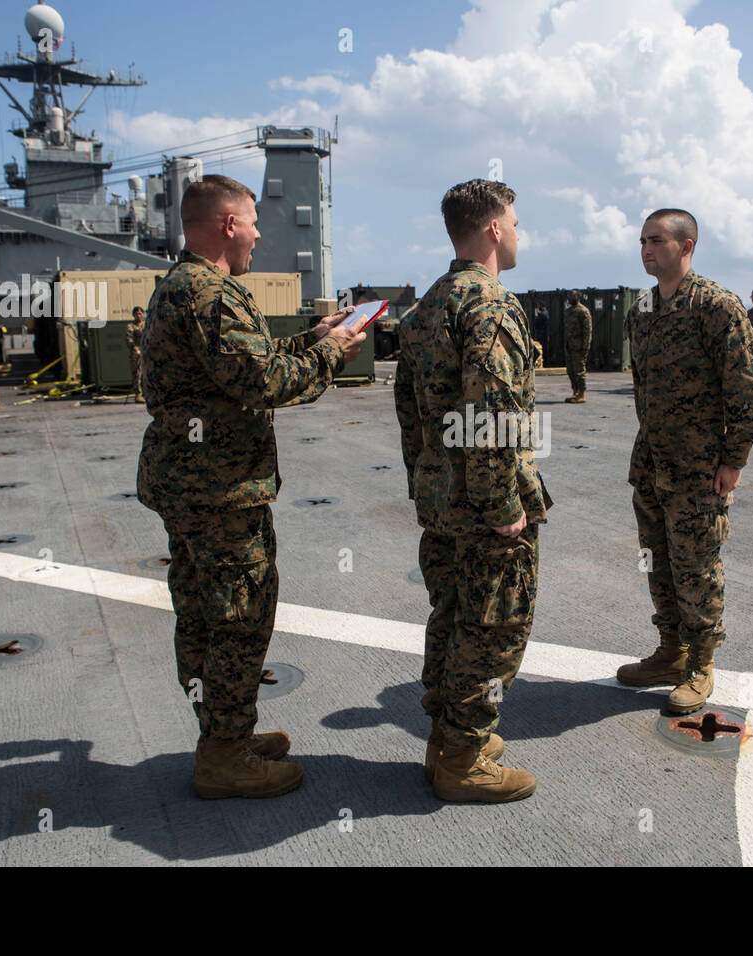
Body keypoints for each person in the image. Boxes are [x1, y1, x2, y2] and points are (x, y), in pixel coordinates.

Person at [136, 174, 364, 800]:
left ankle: (223, 733)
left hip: (189, 483)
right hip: (219, 491)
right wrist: (335, 352)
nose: (261, 234)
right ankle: (225, 755)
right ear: (229, 225)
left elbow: (243, 363)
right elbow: (263, 383)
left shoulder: (179, 287)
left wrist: (314, 338)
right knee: (237, 619)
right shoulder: (212, 293)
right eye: (254, 222)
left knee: (201, 615)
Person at [394, 178, 549, 803]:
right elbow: (492, 415)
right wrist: (502, 503)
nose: (517, 232)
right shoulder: (488, 306)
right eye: (514, 220)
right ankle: (463, 760)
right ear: (492, 229)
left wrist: (426, 482)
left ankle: (448, 740)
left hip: (441, 500)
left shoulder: (426, 306)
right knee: (493, 629)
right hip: (485, 507)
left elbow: (410, 414)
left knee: (454, 618)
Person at [615, 209, 753, 716]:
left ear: (687, 246)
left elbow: (747, 390)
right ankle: (670, 651)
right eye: (642, 241)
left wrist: (733, 459)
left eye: (656, 240)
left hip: (700, 467)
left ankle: (702, 663)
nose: (646, 250)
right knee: (657, 561)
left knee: (697, 567)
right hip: (653, 463)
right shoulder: (642, 311)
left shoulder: (717, 307)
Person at [563, 289, 592, 403]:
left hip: (579, 347)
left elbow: (587, 331)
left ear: (577, 297)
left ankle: (581, 393)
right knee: (570, 370)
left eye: (571, 296)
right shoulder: (568, 312)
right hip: (569, 346)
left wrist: (585, 346)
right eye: (568, 296)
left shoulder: (583, 311)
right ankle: (575, 391)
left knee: (579, 371)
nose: (569, 298)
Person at [126, 306, 145, 402]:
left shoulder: (147, 324)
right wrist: (136, 349)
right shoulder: (131, 326)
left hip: (146, 351)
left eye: (140, 313)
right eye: (137, 314)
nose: (139, 315)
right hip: (136, 352)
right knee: (137, 373)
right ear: (133, 315)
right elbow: (129, 339)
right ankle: (138, 394)